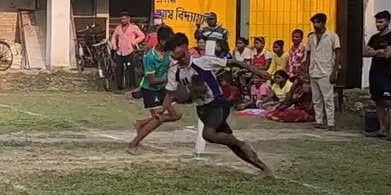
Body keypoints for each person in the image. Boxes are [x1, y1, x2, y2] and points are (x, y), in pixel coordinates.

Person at [161, 32, 275, 176]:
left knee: (208, 134)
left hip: (217, 103)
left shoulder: (202, 61)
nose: (171, 53)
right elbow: (170, 93)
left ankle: (241, 143)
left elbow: (233, 62)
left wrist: (256, 71)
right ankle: (263, 168)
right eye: (170, 51)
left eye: (174, 49)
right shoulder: (174, 70)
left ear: (184, 47)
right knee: (230, 143)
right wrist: (163, 110)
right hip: (202, 109)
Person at [127, 26, 180, 153]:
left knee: (177, 114)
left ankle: (142, 123)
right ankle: (133, 144)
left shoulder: (168, 52)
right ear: (162, 41)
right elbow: (152, 80)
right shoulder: (150, 57)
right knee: (158, 118)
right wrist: (170, 78)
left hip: (163, 88)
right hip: (151, 89)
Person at [363, 10, 391, 141]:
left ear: (387, 21)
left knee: (388, 101)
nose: (378, 24)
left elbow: (387, 54)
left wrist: (375, 52)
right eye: (377, 22)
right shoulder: (374, 38)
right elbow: (364, 52)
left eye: (381, 22)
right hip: (375, 72)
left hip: (387, 73)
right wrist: (379, 51)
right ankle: (382, 129)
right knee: (378, 101)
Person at [306, 13, 341, 130]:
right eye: (314, 23)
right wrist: (307, 70)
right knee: (316, 99)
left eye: (318, 22)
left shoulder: (332, 36)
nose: (316, 25)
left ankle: (331, 122)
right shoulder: (311, 38)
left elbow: (337, 53)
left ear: (324, 23)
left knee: (328, 98)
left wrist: (335, 71)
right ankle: (319, 120)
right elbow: (308, 54)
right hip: (313, 70)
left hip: (326, 71)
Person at [109, 12, 145, 90]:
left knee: (130, 69)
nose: (123, 20)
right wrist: (114, 46)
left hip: (129, 51)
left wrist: (135, 41)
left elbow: (142, 36)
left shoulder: (134, 27)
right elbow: (113, 37)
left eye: (124, 19)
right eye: (121, 19)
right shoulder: (118, 28)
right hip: (120, 51)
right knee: (118, 70)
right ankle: (119, 86)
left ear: (128, 19)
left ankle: (132, 85)